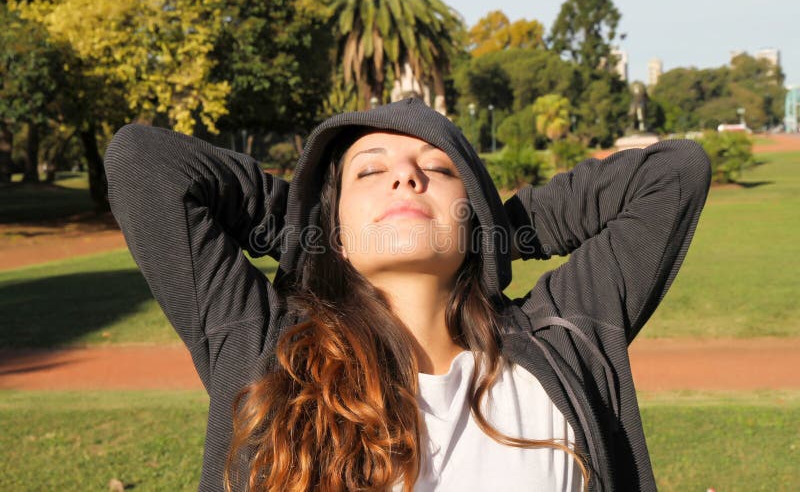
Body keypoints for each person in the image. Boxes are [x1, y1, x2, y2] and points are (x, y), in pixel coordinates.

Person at [104, 98, 712, 491]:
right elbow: (144, 163)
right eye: (370, 171)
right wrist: (309, 229)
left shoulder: (562, 343)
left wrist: (496, 233)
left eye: (439, 168)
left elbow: (674, 173)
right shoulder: (268, 350)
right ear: (334, 228)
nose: (406, 175)